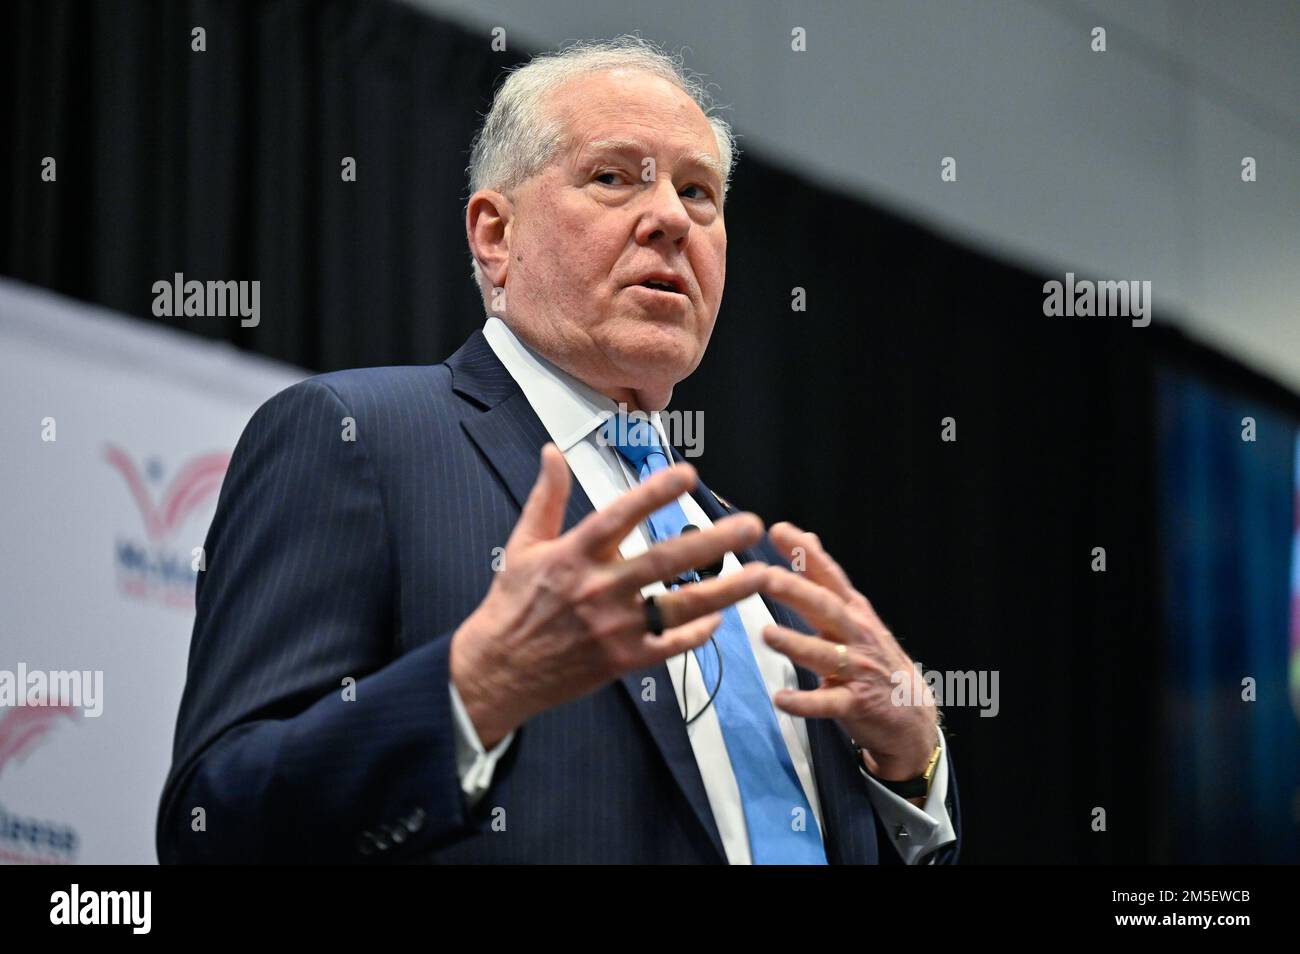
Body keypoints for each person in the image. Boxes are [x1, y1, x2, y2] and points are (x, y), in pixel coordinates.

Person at [157, 35, 959, 865]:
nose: (671, 220)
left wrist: (911, 763)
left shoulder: (764, 570)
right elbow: (214, 823)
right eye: (613, 177)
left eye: (698, 193)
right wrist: (474, 690)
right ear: (495, 235)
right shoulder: (356, 438)